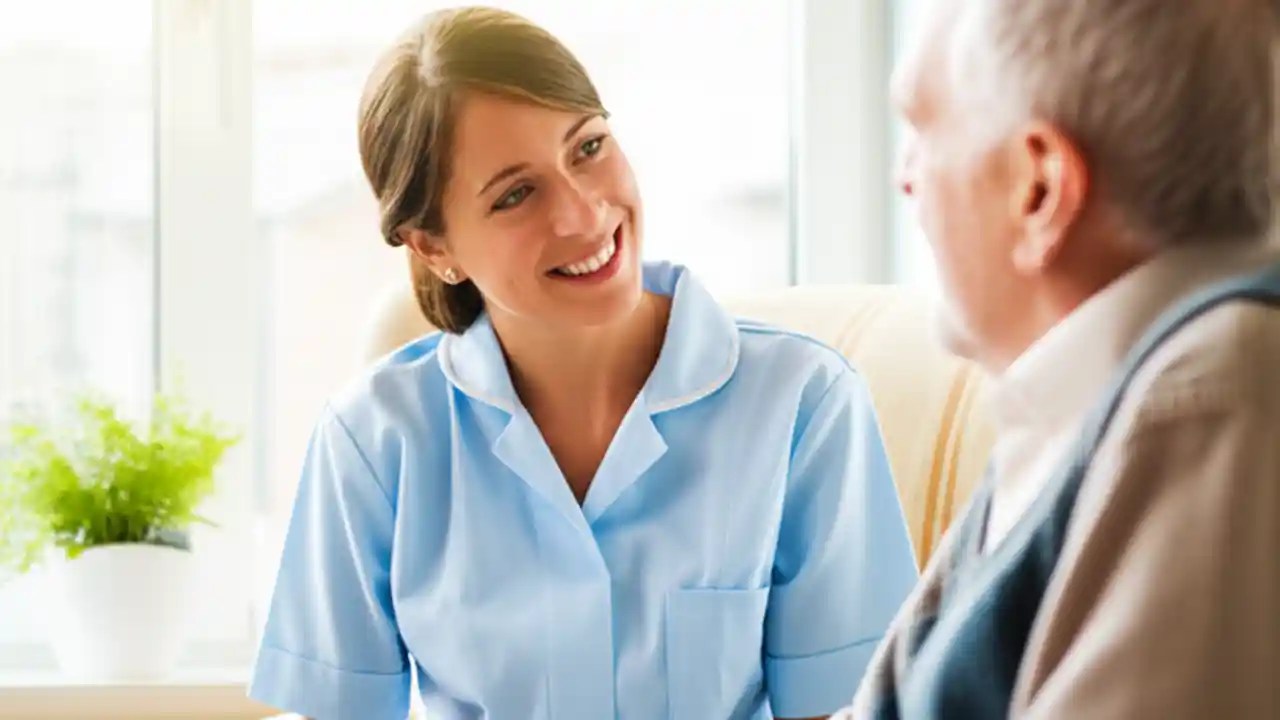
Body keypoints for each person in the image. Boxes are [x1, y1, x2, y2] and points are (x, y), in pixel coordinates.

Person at [248, 7, 917, 719]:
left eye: (588, 147)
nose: (583, 213)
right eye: (515, 194)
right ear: (434, 248)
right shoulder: (374, 441)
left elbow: (845, 707)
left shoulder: (804, 405)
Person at [834, 0, 1280, 717]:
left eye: (921, 128)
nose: (905, 176)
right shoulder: (1072, 408)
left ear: (1038, 188)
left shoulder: (1212, 396)